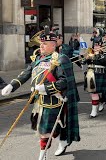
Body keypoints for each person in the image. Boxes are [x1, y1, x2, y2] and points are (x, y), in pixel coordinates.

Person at [1, 31, 80, 159]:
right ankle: (63, 140)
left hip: (53, 101)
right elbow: (26, 73)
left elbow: (65, 82)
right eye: (41, 43)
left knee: (44, 131)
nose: (41, 46)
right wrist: (12, 85)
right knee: (46, 127)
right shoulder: (38, 58)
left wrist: (45, 88)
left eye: (44, 44)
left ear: (53, 45)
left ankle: (42, 156)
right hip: (39, 100)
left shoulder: (60, 59)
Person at [83, 28, 106, 118]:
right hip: (90, 74)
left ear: (101, 47)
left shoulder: (105, 54)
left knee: (99, 92)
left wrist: (97, 55)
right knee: (93, 93)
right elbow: (84, 63)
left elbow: (104, 61)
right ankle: (94, 110)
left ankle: (101, 102)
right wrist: (87, 58)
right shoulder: (91, 53)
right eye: (95, 46)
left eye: (98, 46)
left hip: (100, 74)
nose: (96, 48)